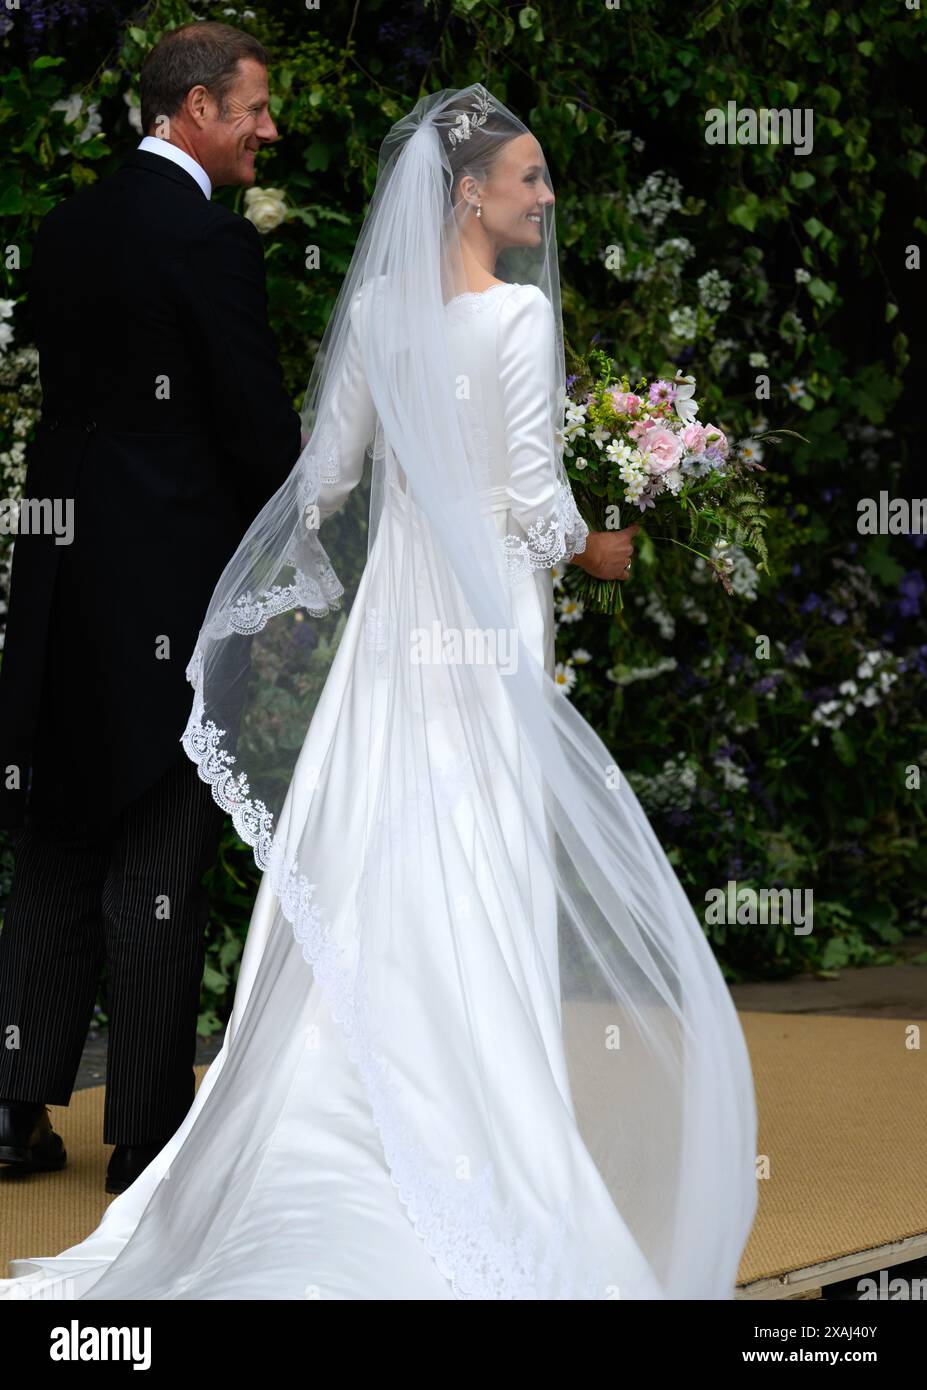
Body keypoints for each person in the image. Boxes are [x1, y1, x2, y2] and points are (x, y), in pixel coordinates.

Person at [0, 84, 757, 1300]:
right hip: (482, 622)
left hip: (396, 636)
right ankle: (470, 1130)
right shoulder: (514, 321)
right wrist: (600, 545)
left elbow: (325, 478)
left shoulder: (383, 312)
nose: (547, 200)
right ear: (470, 191)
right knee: (475, 849)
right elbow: (531, 500)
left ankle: (326, 1110)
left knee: (371, 853)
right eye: (530, 181)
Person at [0, 22, 302, 1196]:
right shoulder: (208, 244)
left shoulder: (65, 227)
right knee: (161, 836)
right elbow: (255, 430)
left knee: (60, 834)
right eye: (253, 109)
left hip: (57, 569)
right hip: (168, 584)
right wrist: (299, 549)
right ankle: (143, 1133)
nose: (268, 130)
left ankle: (15, 1111)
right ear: (191, 109)